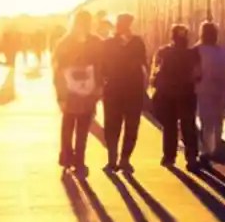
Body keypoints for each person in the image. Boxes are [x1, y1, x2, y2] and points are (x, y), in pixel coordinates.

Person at [52, 10, 104, 177]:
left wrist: (60, 95)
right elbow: (58, 70)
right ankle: (75, 160)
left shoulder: (66, 42)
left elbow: (58, 71)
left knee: (73, 126)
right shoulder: (91, 42)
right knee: (77, 127)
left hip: (78, 91)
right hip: (80, 91)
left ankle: (71, 159)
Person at [101, 13, 147, 173]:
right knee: (116, 126)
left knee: (126, 126)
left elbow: (142, 63)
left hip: (126, 90)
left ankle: (122, 159)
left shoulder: (135, 42)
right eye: (123, 24)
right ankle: (115, 159)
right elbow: (102, 66)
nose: (125, 26)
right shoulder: (109, 43)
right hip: (118, 90)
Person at [151, 24, 200, 170]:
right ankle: (191, 157)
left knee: (170, 126)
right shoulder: (193, 54)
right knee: (188, 126)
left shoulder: (163, 52)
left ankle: (169, 157)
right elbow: (197, 74)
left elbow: (155, 71)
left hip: (167, 94)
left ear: (172, 37)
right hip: (187, 93)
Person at [194, 21, 225, 168]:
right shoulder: (222, 51)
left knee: (206, 121)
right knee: (217, 120)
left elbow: (194, 72)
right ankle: (215, 148)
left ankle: (206, 151)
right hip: (220, 90)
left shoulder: (197, 50)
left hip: (202, 90)